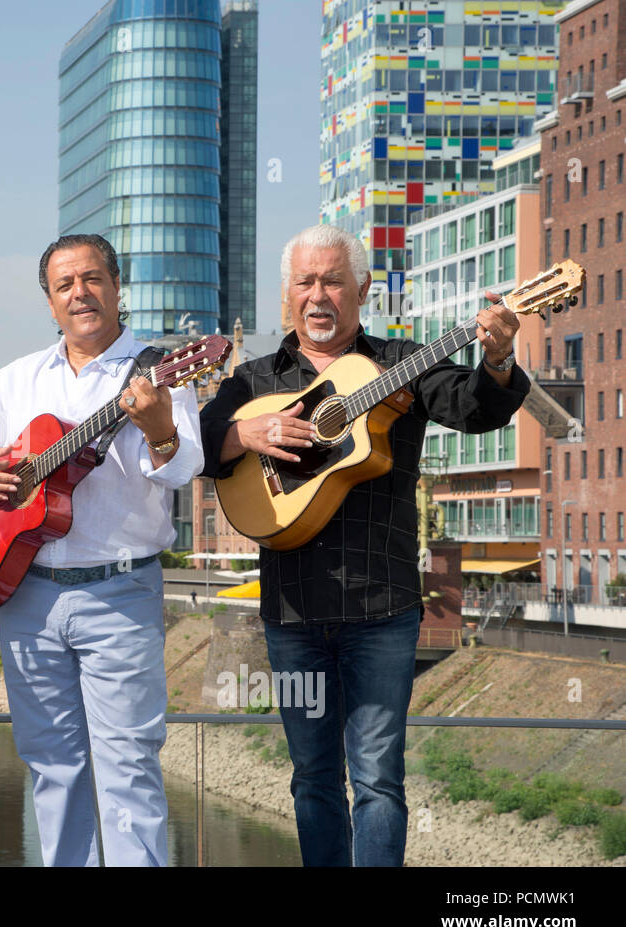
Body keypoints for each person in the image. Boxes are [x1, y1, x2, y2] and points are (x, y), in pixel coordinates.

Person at [199, 223, 529, 866]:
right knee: (312, 779)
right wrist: (252, 432)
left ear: (363, 289)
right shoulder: (256, 377)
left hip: (383, 607)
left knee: (378, 781)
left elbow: (475, 409)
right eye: (305, 282)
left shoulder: (402, 362)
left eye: (333, 281)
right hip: (292, 611)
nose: (318, 296)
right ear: (287, 296)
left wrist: (495, 359)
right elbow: (205, 446)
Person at [0, 234, 203, 866]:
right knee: (52, 768)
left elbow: (185, 466)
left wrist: (157, 423)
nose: (80, 293)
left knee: (128, 770)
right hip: (27, 595)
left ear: (116, 285)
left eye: (92, 279)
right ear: (49, 302)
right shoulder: (17, 378)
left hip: (121, 594)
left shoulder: (156, 370)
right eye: (64, 285)